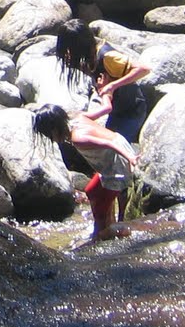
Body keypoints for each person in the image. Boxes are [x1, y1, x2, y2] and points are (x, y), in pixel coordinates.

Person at [33, 103, 138, 242]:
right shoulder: (78, 117)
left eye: (48, 134)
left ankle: (103, 235)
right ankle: (109, 224)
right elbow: (107, 108)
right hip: (112, 157)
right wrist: (108, 93)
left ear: (54, 129)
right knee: (91, 191)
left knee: (100, 210)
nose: (49, 139)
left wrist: (129, 157)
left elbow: (109, 144)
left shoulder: (78, 138)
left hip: (117, 164)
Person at [52, 19, 152, 141]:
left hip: (131, 111)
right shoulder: (91, 55)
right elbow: (97, 71)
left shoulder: (108, 57)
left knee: (119, 146)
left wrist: (112, 86)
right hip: (116, 110)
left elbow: (144, 69)